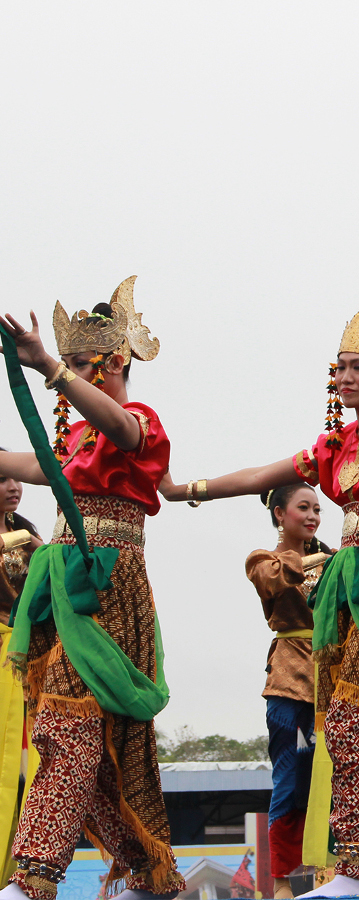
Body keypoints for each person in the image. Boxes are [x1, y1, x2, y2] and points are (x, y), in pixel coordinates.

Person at [164, 310, 359, 897]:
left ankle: (350, 872)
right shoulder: (335, 443)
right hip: (349, 595)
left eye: (357, 368)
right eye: (340, 367)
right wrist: (184, 489)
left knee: (349, 728)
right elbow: (260, 475)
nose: (343, 376)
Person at [0, 278, 185, 900]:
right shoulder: (76, 438)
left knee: (69, 723)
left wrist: (50, 368)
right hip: (65, 588)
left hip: (110, 588)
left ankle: (32, 878)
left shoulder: (138, 421)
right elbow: (32, 466)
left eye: (86, 364)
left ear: (117, 361)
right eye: (72, 362)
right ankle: (145, 872)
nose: (76, 375)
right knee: (86, 735)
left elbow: (123, 434)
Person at [246, 484, 331, 898]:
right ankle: (281, 882)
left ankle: (332, 876)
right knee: (289, 777)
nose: (314, 515)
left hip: (333, 682)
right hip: (288, 682)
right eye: (304, 508)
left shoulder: (335, 561)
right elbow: (275, 580)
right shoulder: (263, 560)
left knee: (332, 779)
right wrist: (320, 559)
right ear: (280, 514)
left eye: (318, 508)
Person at [0, 468, 41, 878]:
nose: (14, 487)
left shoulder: (29, 535)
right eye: (1, 480)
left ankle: (22, 875)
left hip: (28, 662)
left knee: (29, 770)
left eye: (16, 478)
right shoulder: (23, 539)